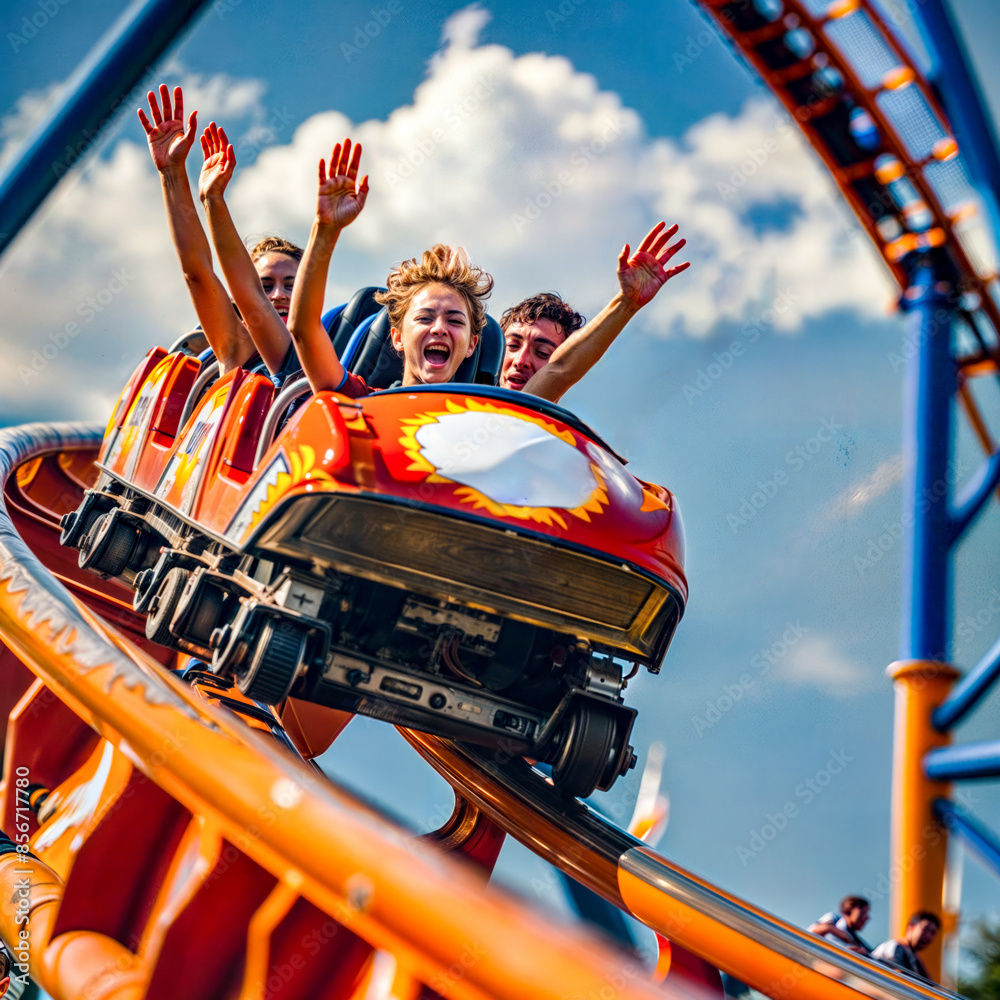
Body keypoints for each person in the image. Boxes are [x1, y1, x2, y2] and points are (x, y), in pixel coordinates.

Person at [287, 138, 493, 396]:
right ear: (398, 338)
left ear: (471, 344)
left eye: (454, 320)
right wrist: (325, 230)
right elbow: (303, 329)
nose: (439, 328)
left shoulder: (479, 423)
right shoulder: (360, 400)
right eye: (424, 318)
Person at [139, 86, 299, 378]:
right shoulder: (237, 348)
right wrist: (173, 173)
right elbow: (197, 272)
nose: (278, 296)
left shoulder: (337, 361)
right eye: (264, 286)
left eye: (291, 284)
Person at [499, 221, 689, 403]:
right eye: (513, 345)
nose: (520, 360)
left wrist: (627, 303)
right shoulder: (469, 404)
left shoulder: (565, 435)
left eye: (542, 352)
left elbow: (560, 370)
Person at [871, 911, 940, 982]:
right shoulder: (897, 947)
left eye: (933, 933)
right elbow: (900, 979)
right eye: (925, 929)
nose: (928, 935)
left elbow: (930, 984)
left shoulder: (911, 954)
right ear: (911, 927)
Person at [807, 895, 872, 954]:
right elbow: (812, 932)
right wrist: (834, 930)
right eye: (862, 913)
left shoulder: (857, 941)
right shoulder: (834, 919)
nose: (866, 918)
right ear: (849, 910)